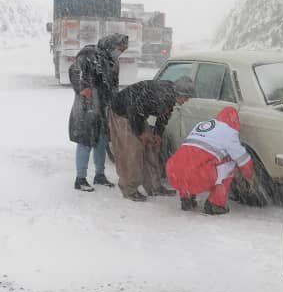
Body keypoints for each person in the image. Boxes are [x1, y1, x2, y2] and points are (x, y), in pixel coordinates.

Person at [109, 76, 194, 201]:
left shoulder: (169, 96)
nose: (187, 101)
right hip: (123, 113)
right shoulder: (160, 94)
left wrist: (157, 134)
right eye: (186, 97)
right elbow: (134, 110)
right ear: (179, 93)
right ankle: (129, 189)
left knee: (151, 147)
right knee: (133, 150)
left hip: (137, 114)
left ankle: (154, 186)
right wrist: (140, 133)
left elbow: (163, 116)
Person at [166, 106, 254, 216]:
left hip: (173, 172)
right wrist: (248, 176)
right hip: (196, 177)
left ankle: (186, 199)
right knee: (230, 165)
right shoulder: (229, 132)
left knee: (187, 163)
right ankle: (215, 204)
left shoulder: (202, 125)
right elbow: (242, 159)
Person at [68, 33, 128, 191]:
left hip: (103, 107)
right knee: (86, 141)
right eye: (118, 48)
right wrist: (83, 88)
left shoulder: (113, 61)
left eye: (122, 50)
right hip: (87, 106)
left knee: (101, 141)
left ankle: (99, 175)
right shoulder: (90, 54)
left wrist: (115, 103)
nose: (120, 52)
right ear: (110, 45)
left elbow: (114, 85)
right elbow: (74, 71)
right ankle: (80, 178)